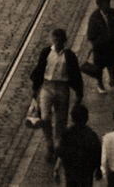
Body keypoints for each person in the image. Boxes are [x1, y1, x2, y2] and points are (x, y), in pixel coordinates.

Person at [30, 27, 83, 162]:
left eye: (59, 40)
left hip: (62, 87)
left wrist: (78, 92)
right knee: (45, 117)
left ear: (63, 41)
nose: (56, 42)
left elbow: (76, 74)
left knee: (61, 119)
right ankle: (49, 142)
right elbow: (40, 70)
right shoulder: (46, 52)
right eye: (54, 39)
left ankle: (58, 144)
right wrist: (35, 91)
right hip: (47, 86)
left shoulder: (69, 55)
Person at [86, 0, 114, 93]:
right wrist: (96, 43)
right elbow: (90, 34)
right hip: (100, 47)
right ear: (100, 5)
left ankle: (112, 81)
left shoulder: (112, 12)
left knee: (112, 64)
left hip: (111, 44)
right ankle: (100, 84)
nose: (108, 5)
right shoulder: (94, 17)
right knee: (99, 66)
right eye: (105, 3)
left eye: (108, 2)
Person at [58, 102, 101, 187]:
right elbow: (97, 152)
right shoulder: (91, 134)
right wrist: (98, 168)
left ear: (72, 118)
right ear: (87, 118)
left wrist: (59, 166)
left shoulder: (67, 134)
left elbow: (61, 151)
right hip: (87, 170)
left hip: (71, 170)